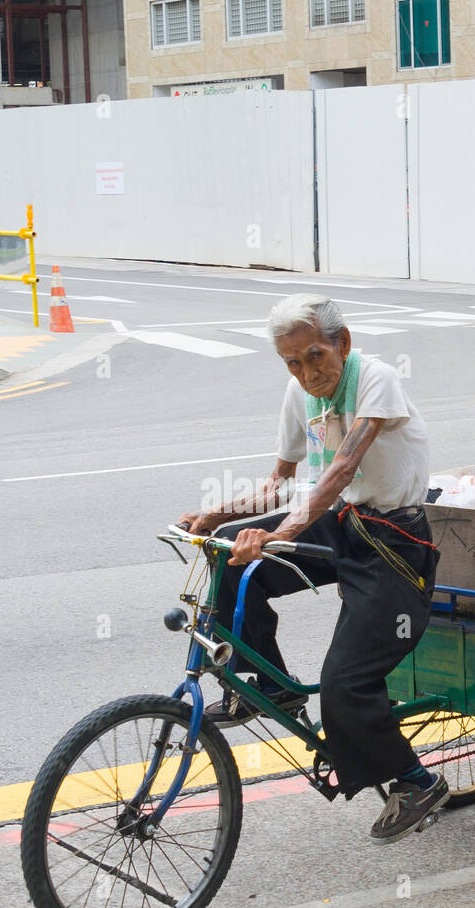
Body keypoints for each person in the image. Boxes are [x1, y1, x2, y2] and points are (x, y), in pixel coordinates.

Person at [177, 293, 444, 844]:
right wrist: (217, 515)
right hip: (341, 522)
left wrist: (280, 534)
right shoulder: (299, 391)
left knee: (346, 685)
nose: (306, 372)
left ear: (342, 344)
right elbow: (279, 481)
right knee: (227, 551)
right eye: (292, 363)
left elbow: (343, 466)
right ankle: (273, 689)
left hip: (393, 540)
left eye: (315, 356)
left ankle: (415, 782)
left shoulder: (376, 378)